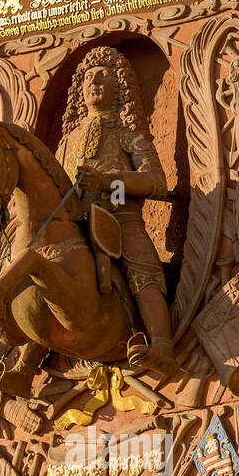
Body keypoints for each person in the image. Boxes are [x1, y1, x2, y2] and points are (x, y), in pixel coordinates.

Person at [56, 46, 178, 374]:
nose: (93, 81)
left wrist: (109, 182)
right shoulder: (66, 143)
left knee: (144, 268)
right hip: (74, 222)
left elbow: (156, 182)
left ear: (119, 86)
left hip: (120, 218)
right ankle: (24, 363)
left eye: (103, 75)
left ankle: (161, 344)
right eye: (87, 77)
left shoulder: (128, 135)